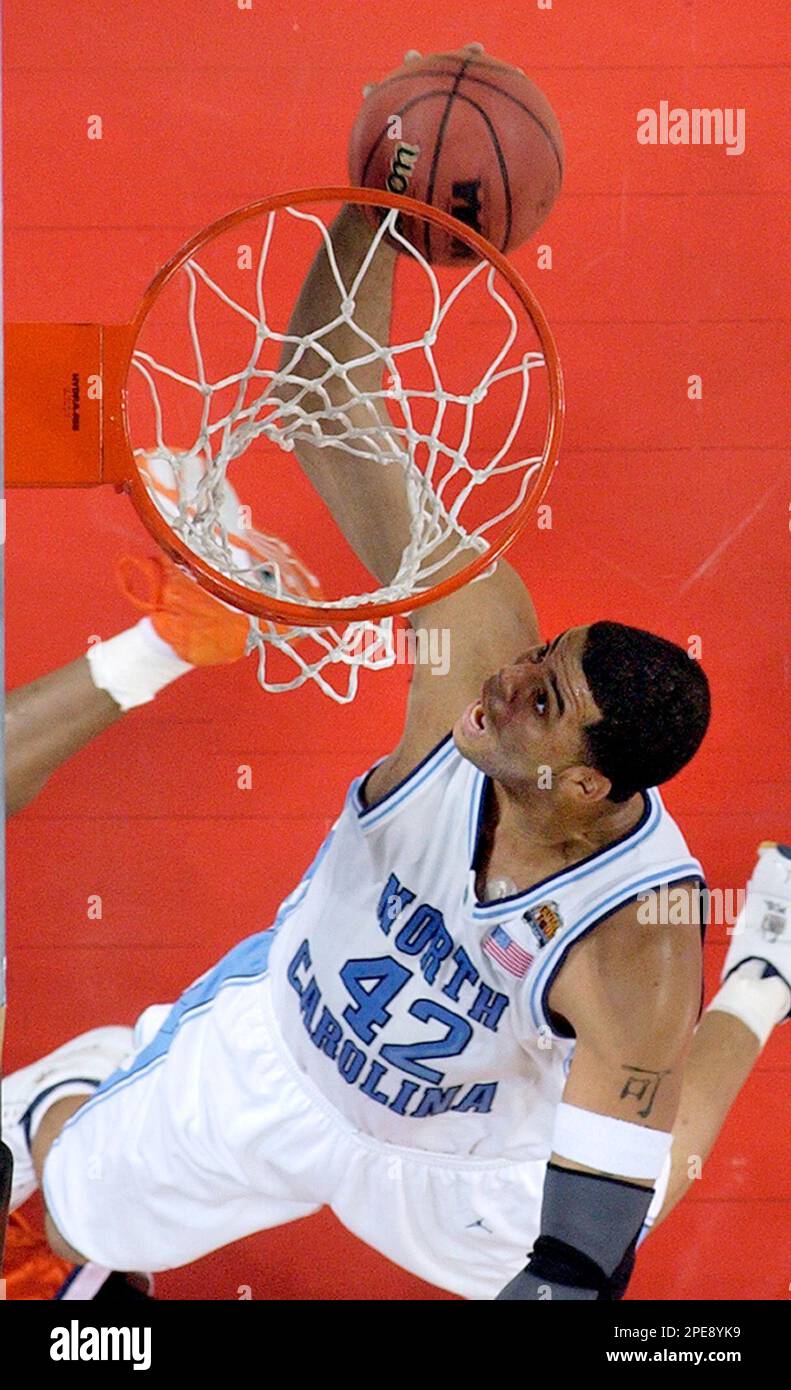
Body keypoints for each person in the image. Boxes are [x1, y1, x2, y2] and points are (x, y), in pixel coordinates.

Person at [4, 205, 789, 1301]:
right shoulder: (468, 651)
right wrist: (382, 207)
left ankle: (761, 975)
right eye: (538, 657)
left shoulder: (631, 952)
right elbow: (319, 402)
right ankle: (90, 1084)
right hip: (284, 1052)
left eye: (543, 697)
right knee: (65, 1218)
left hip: (464, 1151)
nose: (505, 680)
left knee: (641, 1179)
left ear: (586, 782)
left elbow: (579, 1259)